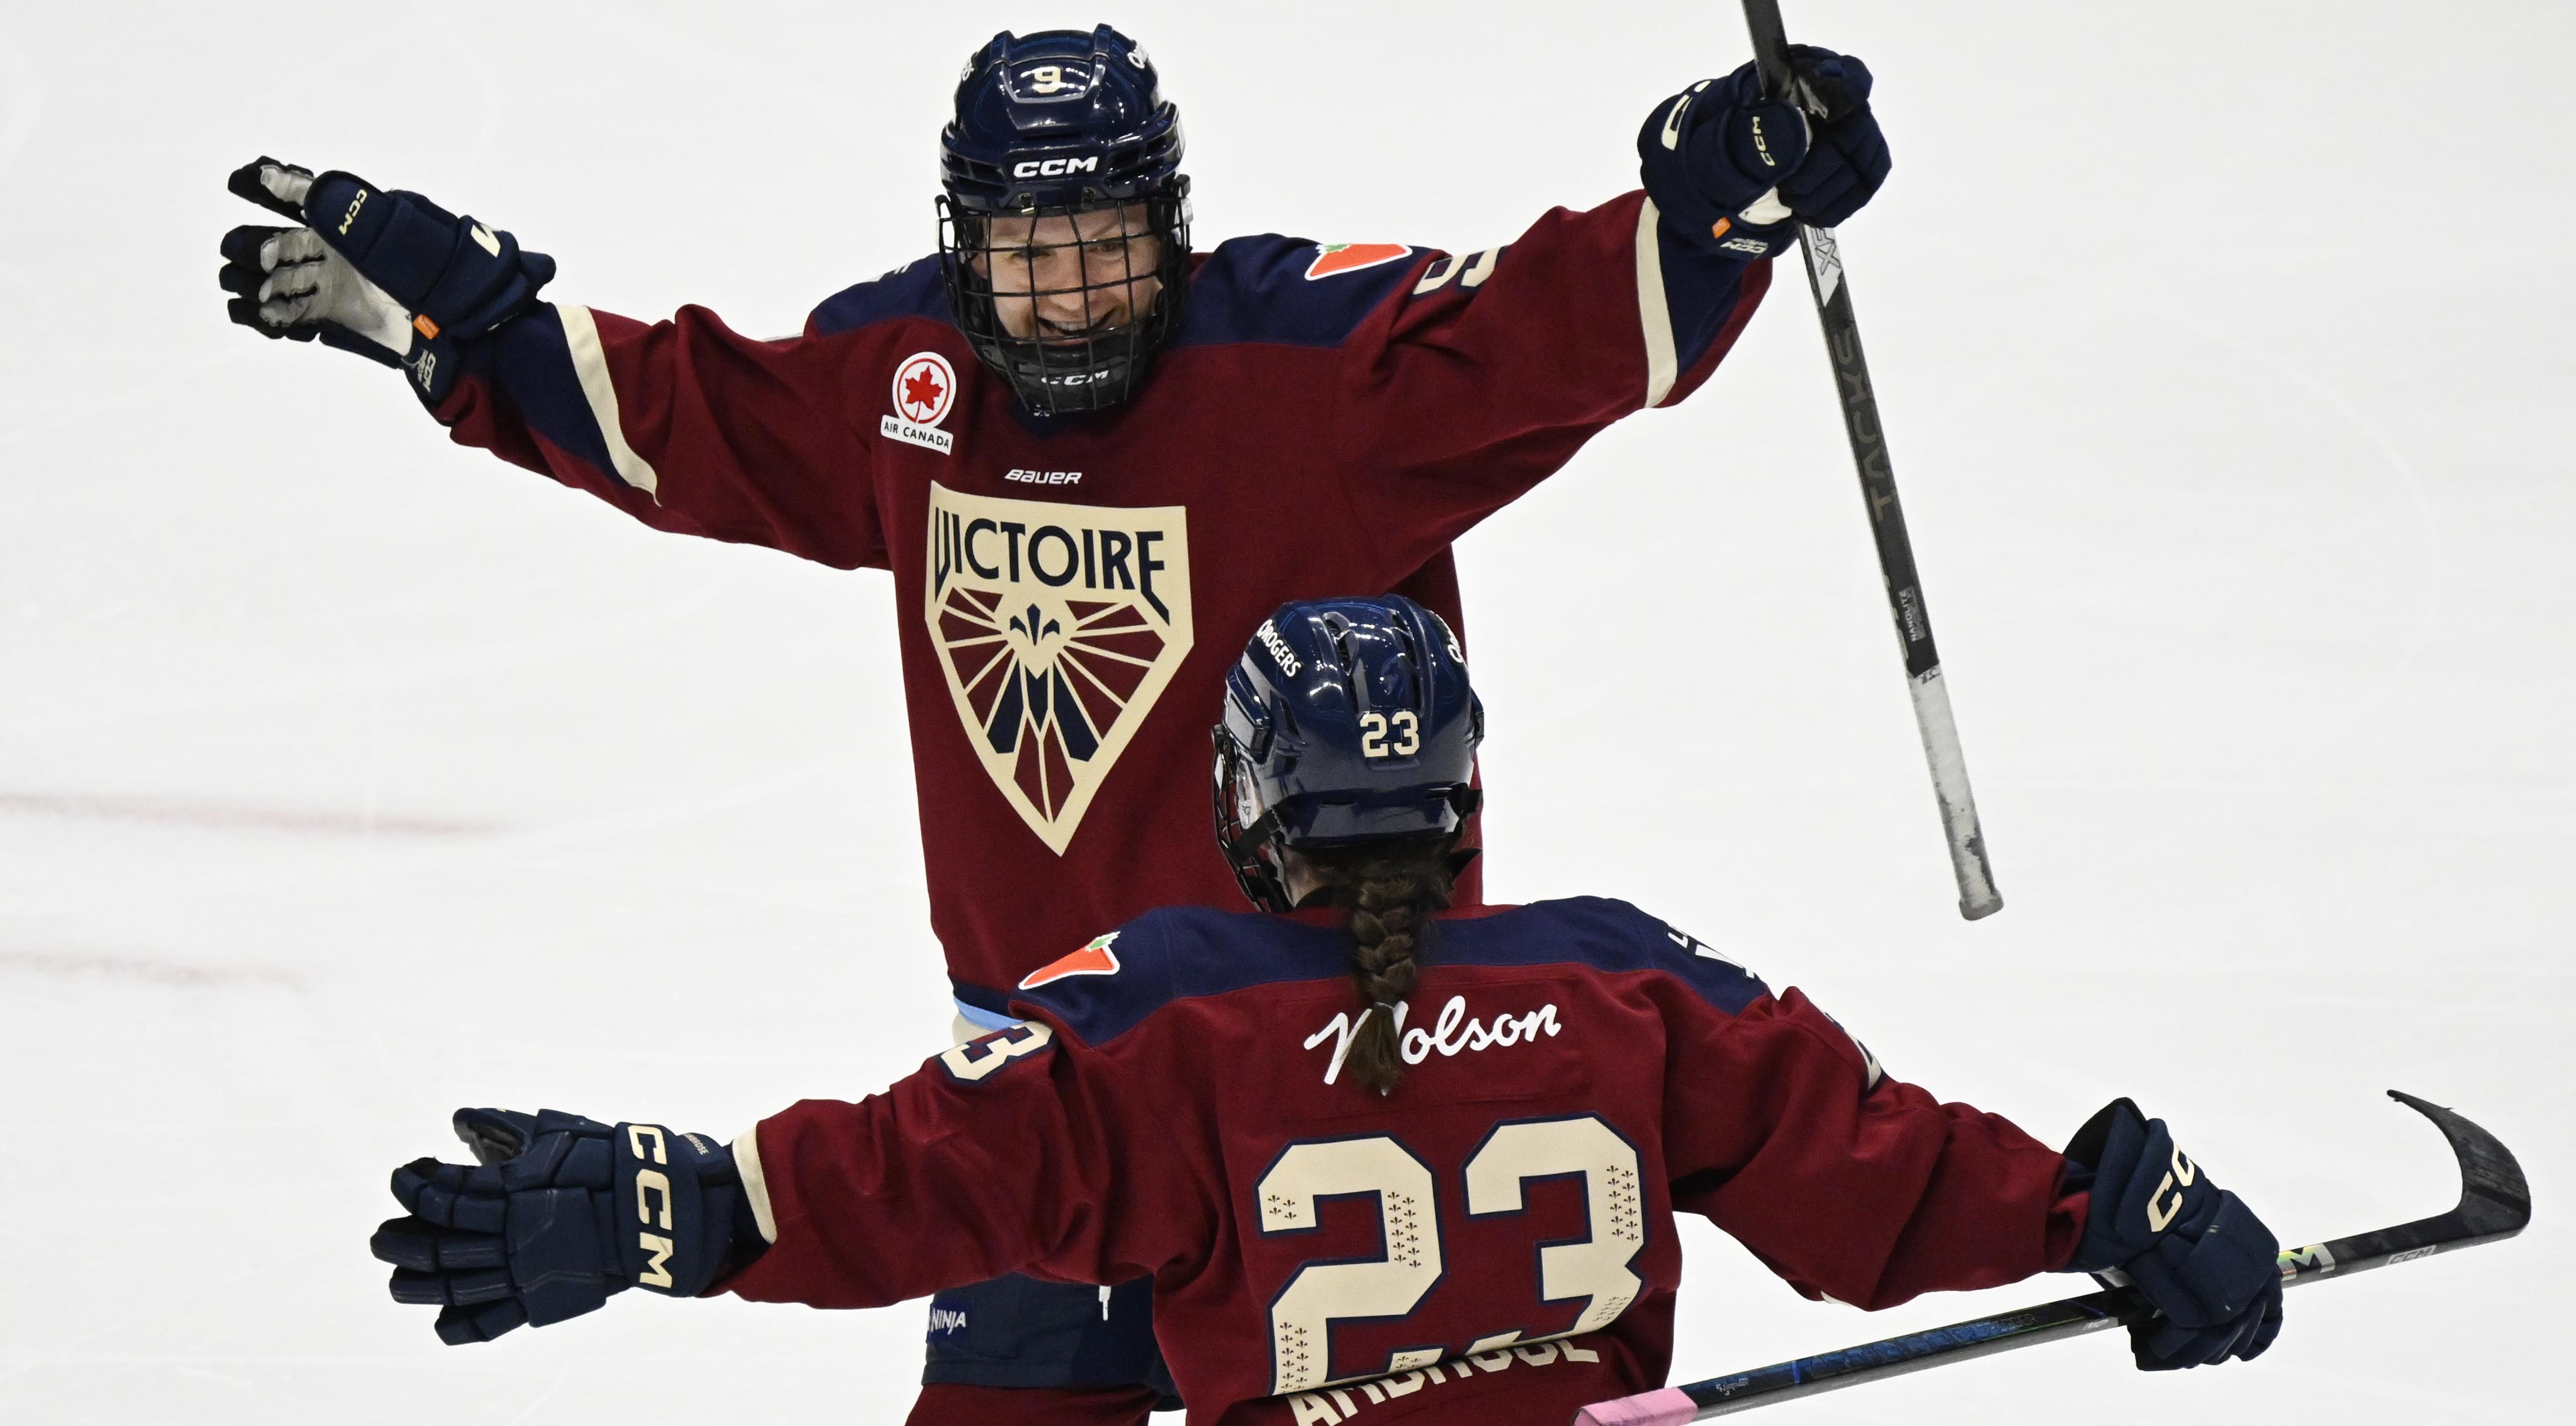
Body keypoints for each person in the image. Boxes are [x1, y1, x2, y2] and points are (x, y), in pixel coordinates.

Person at [224, 25, 1895, 1423]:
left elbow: (1542, 329)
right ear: (965, 242)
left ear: (1171, 227)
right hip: (1047, 1097)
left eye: (1105, 245)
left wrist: (1711, 204)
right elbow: (691, 415)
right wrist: (466, 332)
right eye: (1027, 253)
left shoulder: (1313, 369)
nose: (1071, 293)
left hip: (1328, 1066)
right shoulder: (911, 377)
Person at [370, 597, 2286, 1426]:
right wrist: (2108, 1208)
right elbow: (1873, 1166)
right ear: (1457, 795)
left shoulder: (1163, 1016)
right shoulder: (1619, 979)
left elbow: (930, 1175)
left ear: (1238, 800)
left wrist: (687, 1209)